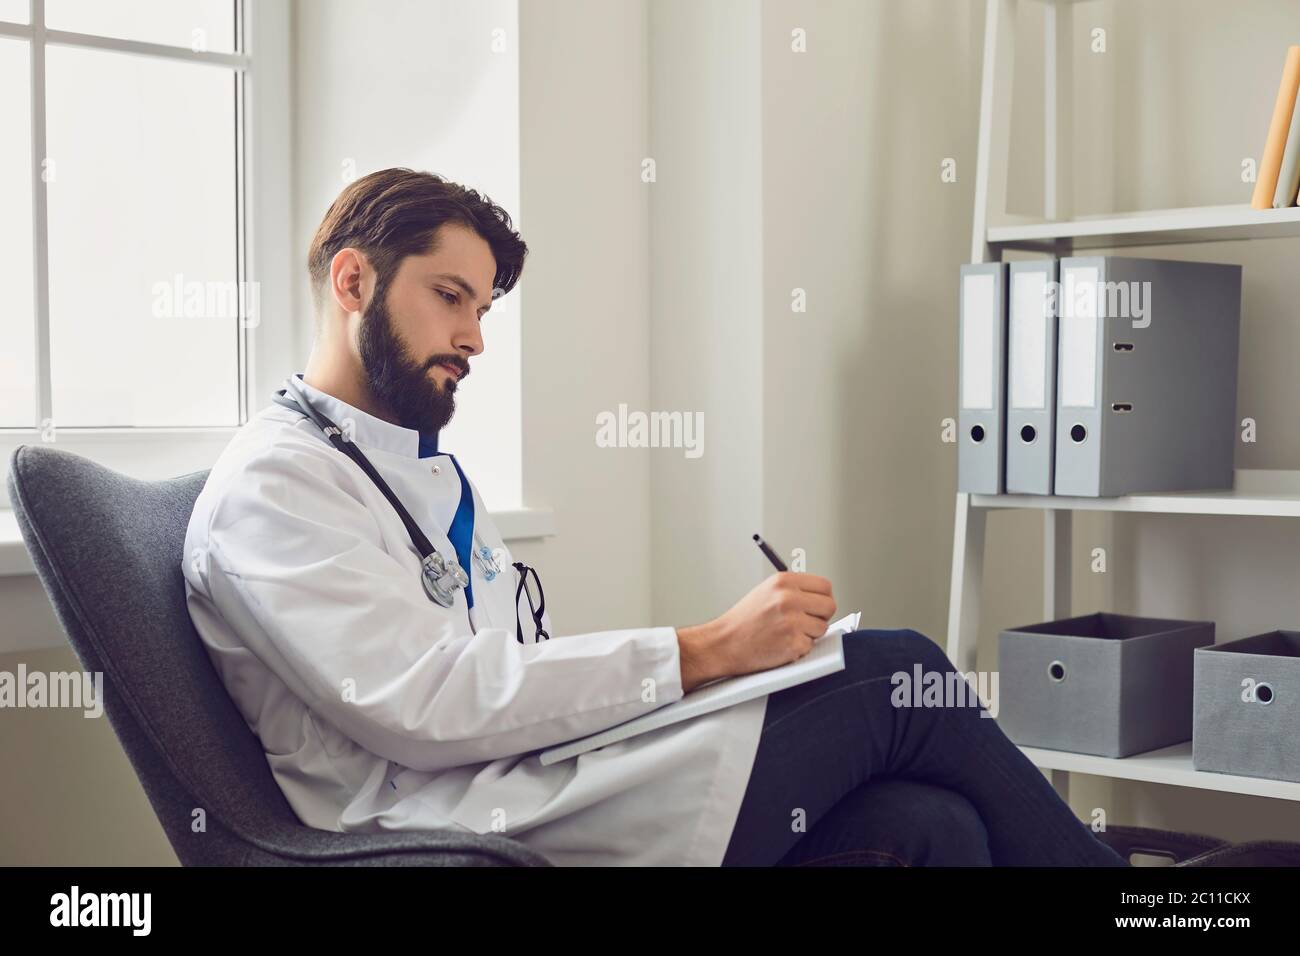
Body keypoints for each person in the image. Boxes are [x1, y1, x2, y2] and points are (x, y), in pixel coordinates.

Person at [182, 167, 1127, 868]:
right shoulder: (273, 487)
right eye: (450, 297)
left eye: (483, 308)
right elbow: (425, 706)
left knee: (930, 829)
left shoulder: (413, 471)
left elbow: (507, 669)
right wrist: (705, 650)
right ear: (353, 283)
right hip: (439, 829)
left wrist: (698, 684)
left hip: (532, 778)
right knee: (896, 670)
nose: (474, 336)